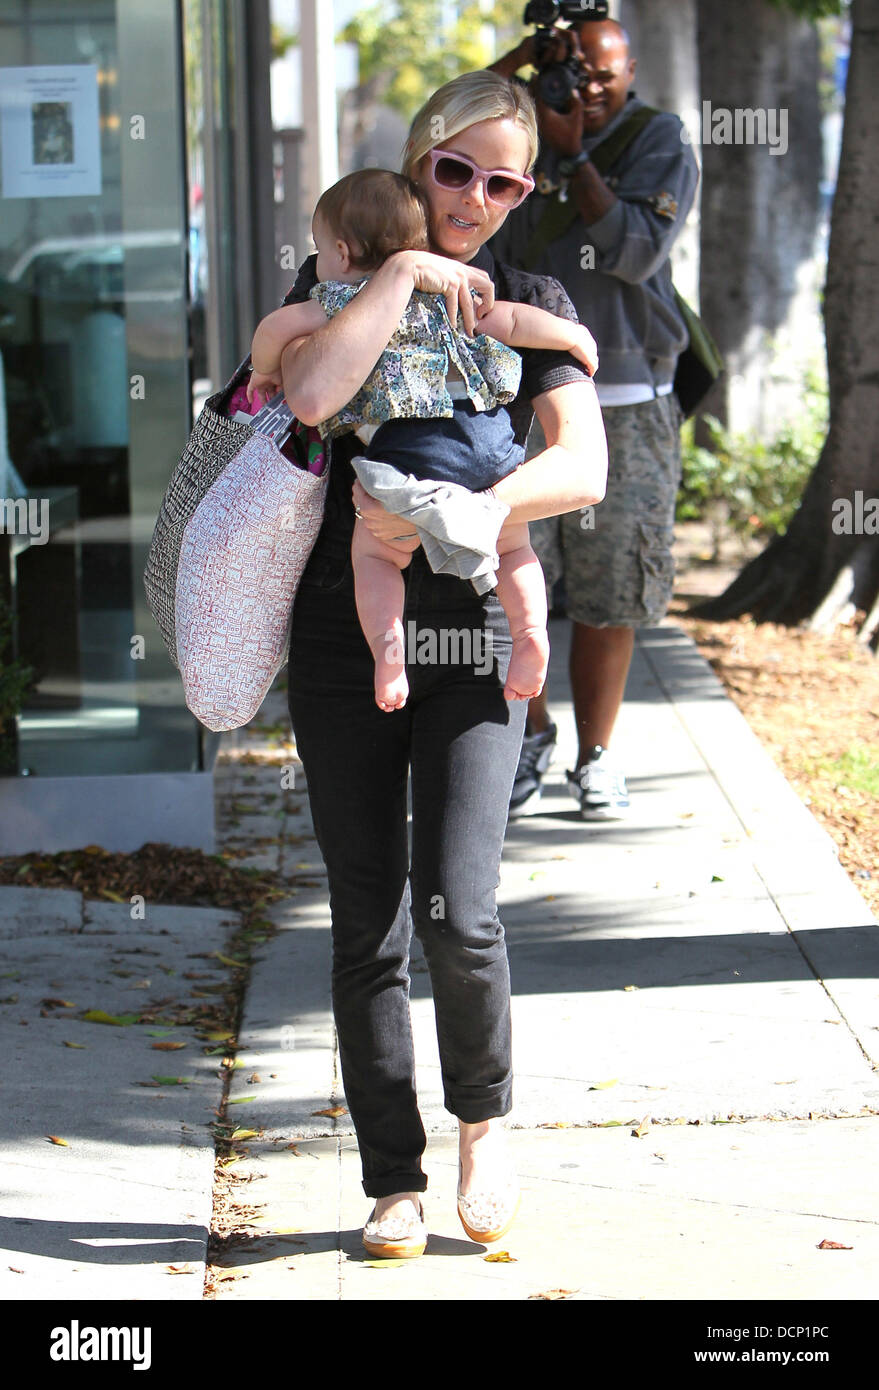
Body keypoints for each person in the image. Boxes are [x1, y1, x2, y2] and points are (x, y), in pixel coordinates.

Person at [275, 70, 607, 1258]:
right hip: (344, 620)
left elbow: (586, 465)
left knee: (460, 909)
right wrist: (404, 275)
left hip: (473, 617)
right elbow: (307, 396)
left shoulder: (527, 290)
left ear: (524, 192)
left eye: (502, 180)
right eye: (454, 169)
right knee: (367, 919)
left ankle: (483, 1126)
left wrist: (475, 511)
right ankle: (391, 1180)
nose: (473, 197)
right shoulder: (347, 268)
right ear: (419, 162)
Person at [248, 168, 598, 712]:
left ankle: (390, 659)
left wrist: (264, 372)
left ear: (341, 250)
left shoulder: (342, 299)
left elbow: (274, 331)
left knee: (376, 557)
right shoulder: (454, 292)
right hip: (489, 450)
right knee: (514, 547)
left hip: (411, 462)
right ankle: (532, 636)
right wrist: (572, 334)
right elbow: (510, 320)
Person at [488, 16, 699, 819]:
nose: (587, 88)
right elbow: (439, 132)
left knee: (615, 594)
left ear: (631, 70)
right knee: (512, 584)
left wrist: (572, 153)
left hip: (629, 402)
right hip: (520, 401)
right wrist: (519, 73)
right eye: (571, 72)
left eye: (602, 74)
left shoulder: (658, 138)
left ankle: (597, 754)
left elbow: (634, 250)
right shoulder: (519, 130)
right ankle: (531, 734)